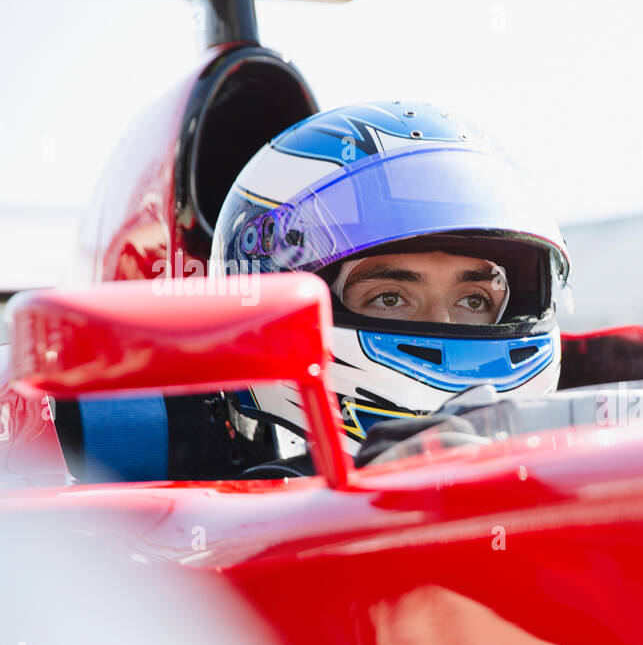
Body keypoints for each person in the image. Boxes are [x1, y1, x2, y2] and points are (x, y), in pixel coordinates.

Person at [209, 100, 572, 477]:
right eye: (390, 298)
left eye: (473, 300)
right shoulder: (232, 523)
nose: (442, 323)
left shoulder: (590, 466)